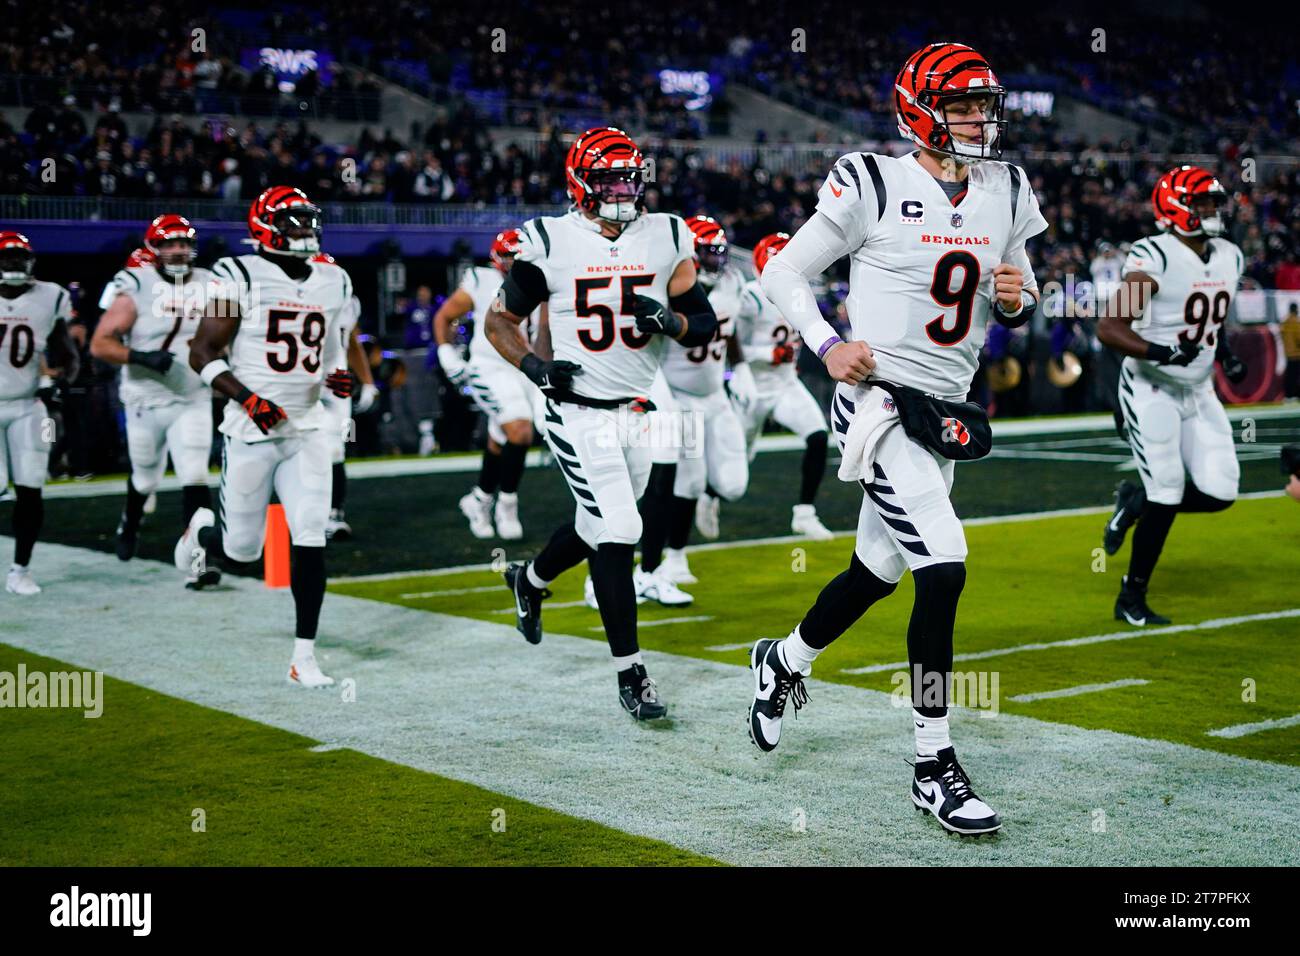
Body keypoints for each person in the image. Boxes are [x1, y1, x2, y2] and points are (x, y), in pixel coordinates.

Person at [746, 43, 1046, 836]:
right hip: (876, 404)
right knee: (942, 565)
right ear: (920, 108)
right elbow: (781, 271)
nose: (980, 119)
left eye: (986, 104)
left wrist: (1020, 296)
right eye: (964, 105)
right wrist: (824, 344)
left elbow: (1018, 288)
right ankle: (932, 765)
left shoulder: (1008, 187)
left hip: (942, 413)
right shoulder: (872, 178)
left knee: (876, 572)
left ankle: (783, 663)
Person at [487, 127, 718, 720]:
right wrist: (537, 367)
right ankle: (631, 673)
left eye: (629, 179)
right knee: (620, 527)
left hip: (639, 406)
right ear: (581, 185)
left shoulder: (667, 233)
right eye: (610, 180)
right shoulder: (548, 240)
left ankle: (531, 580)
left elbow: (703, 321)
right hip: (578, 408)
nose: (623, 190)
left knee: (598, 523)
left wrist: (669, 319)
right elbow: (499, 322)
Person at [177, 186, 354, 688]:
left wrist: (339, 377)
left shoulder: (334, 279)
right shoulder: (238, 273)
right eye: (292, 222)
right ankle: (200, 533)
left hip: (308, 427)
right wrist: (247, 398)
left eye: (307, 221)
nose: (303, 231)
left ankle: (305, 657)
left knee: (310, 535)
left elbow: (334, 347)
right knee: (242, 551)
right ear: (265, 227)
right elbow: (202, 352)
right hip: (250, 430)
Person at [1097, 166, 1247, 625]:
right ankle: (1131, 598)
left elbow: (1206, 323)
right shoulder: (1154, 256)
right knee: (1167, 490)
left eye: (1213, 203)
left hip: (1199, 390)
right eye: (1201, 203)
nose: (1211, 211)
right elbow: (1110, 326)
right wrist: (1162, 351)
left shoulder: (1229, 256)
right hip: (1150, 386)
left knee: (1221, 490)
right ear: (1175, 208)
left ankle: (1133, 502)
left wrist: (1225, 355)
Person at [90, 215, 216, 568]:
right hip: (145, 396)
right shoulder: (135, 284)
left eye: (183, 243)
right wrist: (140, 356)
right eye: (169, 244)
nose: (177, 250)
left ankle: (197, 561)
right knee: (145, 476)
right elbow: (100, 344)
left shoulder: (211, 283)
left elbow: (231, 332)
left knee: (194, 473)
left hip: (192, 395)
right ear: (154, 249)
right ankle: (130, 522)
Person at [435, 230, 539, 540]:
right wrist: (446, 352)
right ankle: (507, 504)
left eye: (518, 256)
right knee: (520, 431)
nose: (514, 262)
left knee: (500, 435)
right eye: (509, 256)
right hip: (490, 366)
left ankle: (479, 500)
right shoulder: (482, 279)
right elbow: (445, 316)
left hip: (524, 366)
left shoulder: (539, 278)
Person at [734, 233, 834, 539]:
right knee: (734, 470)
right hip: (750, 388)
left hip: (785, 384)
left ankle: (804, 513)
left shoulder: (800, 293)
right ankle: (708, 497)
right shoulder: (749, 297)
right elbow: (729, 347)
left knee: (818, 437)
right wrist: (767, 353)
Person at [0, 231, 80, 594]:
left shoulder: (51, 296)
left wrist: (62, 379)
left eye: (20, 259)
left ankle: (20, 569)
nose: (15, 266)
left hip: (28, 404)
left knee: (31, 488)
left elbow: (67, 353)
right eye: (8, 259)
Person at [311, 252, 379, 541]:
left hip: (336, 383)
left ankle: (333, 514)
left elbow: (351, 340)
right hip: (300, 381)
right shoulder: (296, 301)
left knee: (335, 450)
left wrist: (368, 381)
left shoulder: (346, 302)